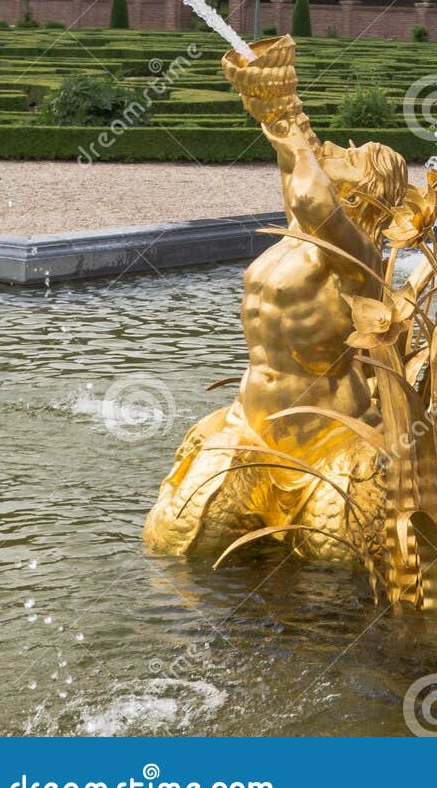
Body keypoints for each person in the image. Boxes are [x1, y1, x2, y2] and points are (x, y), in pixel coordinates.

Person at [144, 37, 407, 562]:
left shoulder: (355, 260)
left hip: (327, 444)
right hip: (251, 430)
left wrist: (285, 109)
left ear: (363, 197)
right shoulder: (298, 237)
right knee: (177, 544)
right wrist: (264, 102)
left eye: (348, 160)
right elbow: (299, 184)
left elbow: (312, 194)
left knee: (331, 573)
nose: (331, 154)